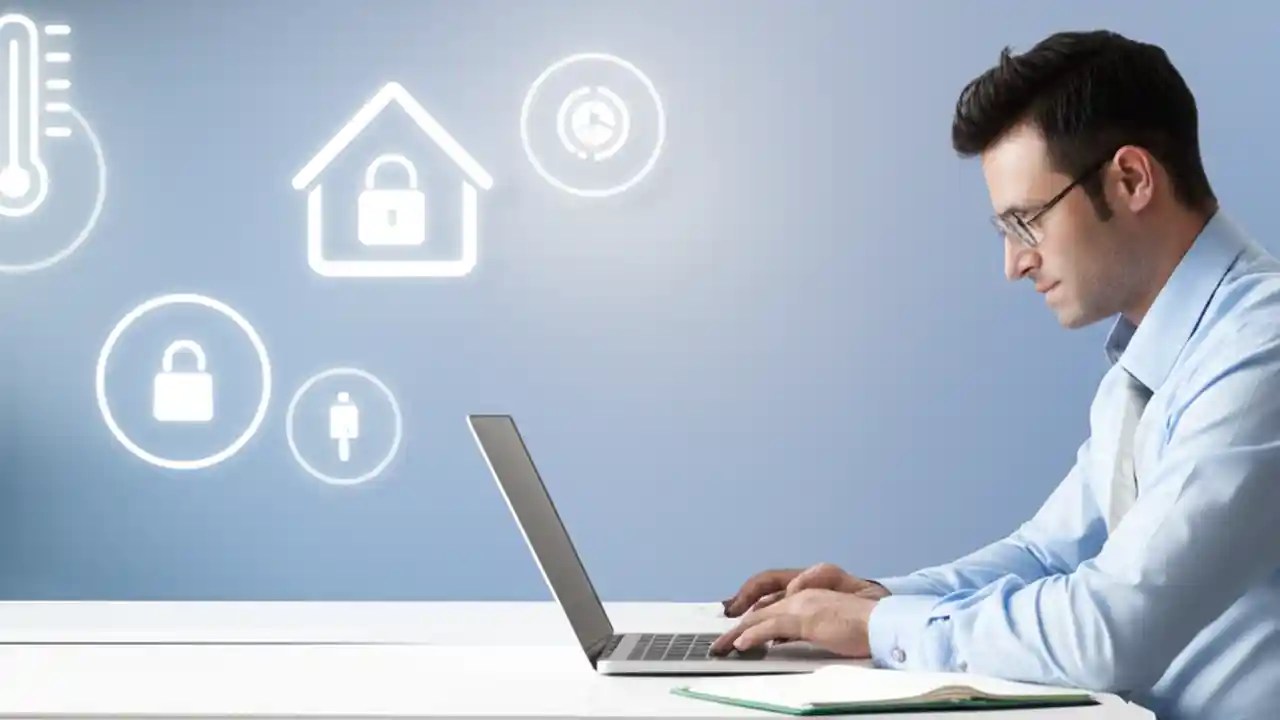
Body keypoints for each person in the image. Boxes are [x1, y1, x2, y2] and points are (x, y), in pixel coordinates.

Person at [709, 29, 1280, 720]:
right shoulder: (1150, 364)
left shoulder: (1260, 351)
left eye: (1026, 223)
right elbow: (1047, 554)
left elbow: (1112, 627)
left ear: (1130, 180)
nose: (1014, 263)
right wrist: (878, 599)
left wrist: (876, 631)